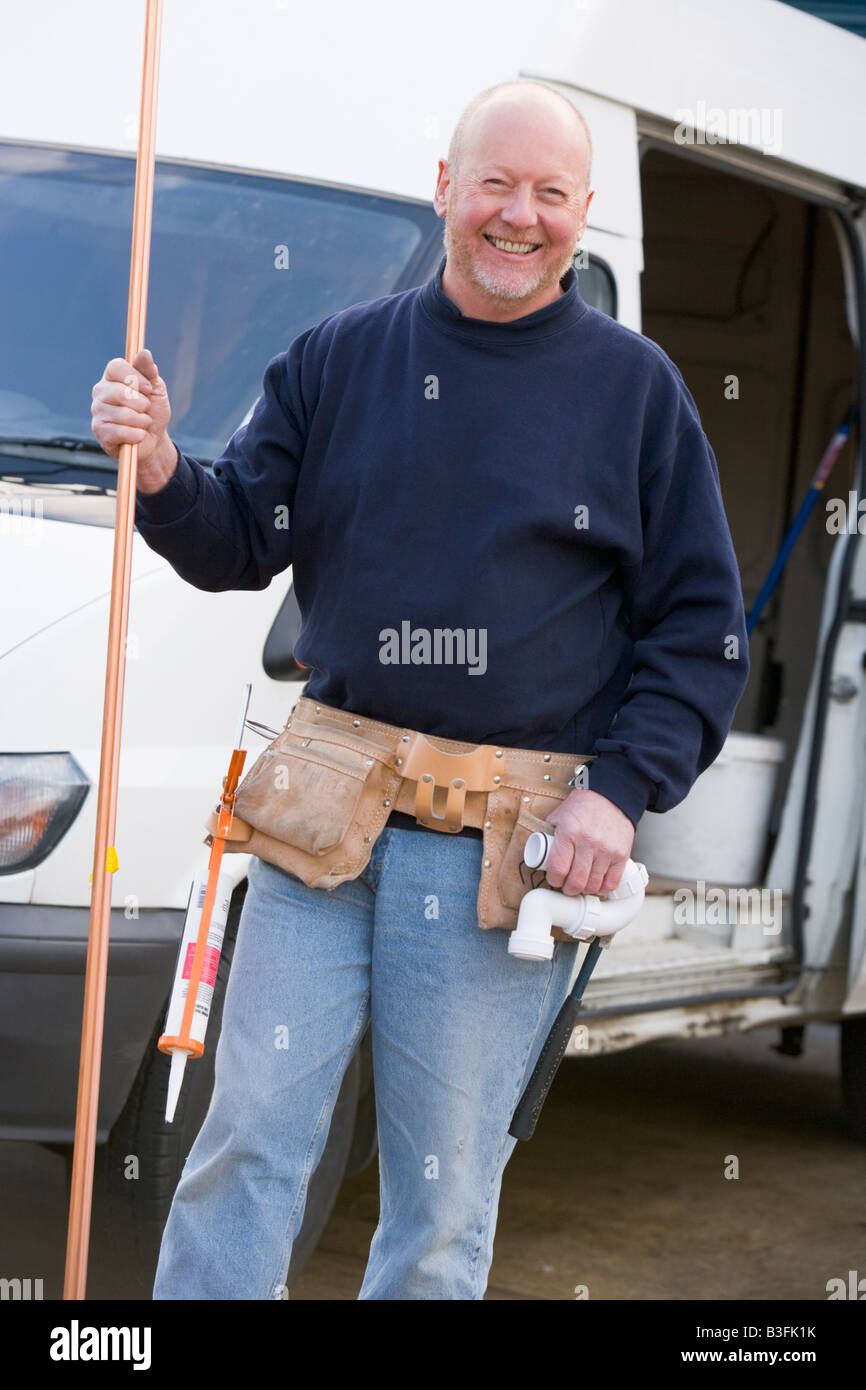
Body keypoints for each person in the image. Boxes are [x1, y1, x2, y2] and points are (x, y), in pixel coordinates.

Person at [90, 78, 750, 1299]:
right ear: (444, 189)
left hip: (502, 853)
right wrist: (168, 465)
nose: (518, 215)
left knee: (441, 1202)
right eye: (493, 183)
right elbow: (240, 537)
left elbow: (699, 634)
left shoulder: (637, 394)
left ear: (583, 214)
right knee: (244, 1147)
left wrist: (618, 794)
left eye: (549, 194)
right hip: (318, 826)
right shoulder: (339, 357)